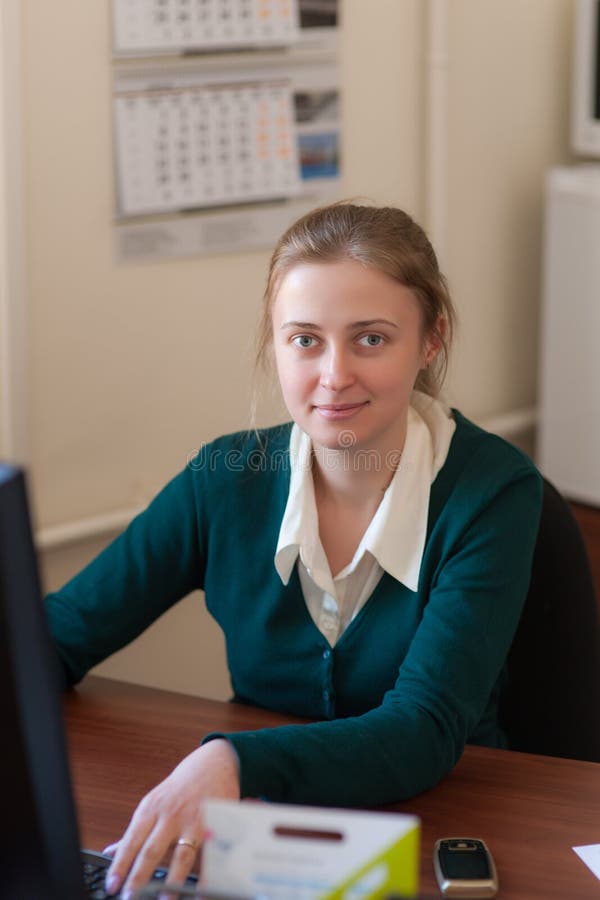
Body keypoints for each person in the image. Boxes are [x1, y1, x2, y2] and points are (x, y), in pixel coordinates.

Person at [44, 202, 542, 898]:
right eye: (305, 340)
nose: (333, 375)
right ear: (275, 345)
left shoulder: (492, 492)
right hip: (254, 842)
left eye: (371, 339)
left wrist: (232, 761)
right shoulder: (223, 480)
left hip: (443, 831)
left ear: (431, 340)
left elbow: (423, 728)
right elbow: (58, 637)